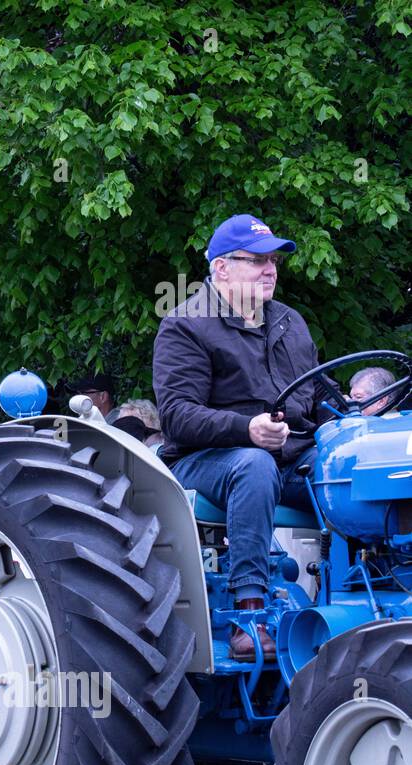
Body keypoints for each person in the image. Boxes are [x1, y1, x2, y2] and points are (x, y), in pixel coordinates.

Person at [153, 213, 311, 661]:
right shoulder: (185, 324)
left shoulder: (290, 323)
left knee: (350, 467)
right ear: (221, 268)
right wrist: (246, 429)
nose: (271, 269)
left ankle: (367, 585)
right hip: (205, 460)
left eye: (275, 261)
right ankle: (250, 615)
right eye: (258, 260)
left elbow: (319, 397)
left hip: (289, 454)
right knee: (253, 465)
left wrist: (355, 416)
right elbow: (178, 417)